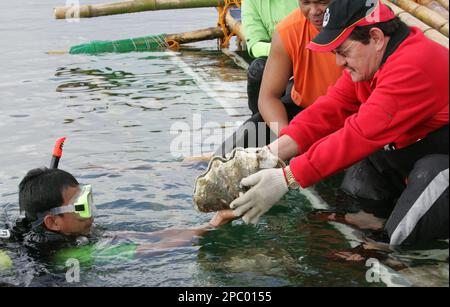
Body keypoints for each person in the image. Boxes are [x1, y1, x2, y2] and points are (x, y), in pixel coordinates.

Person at [230, 0, 449, 246]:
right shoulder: (375, 60)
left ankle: (389, 246)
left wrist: (287, 177)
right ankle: (381, 218)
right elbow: (330, 107)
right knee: (359, 181)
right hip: (418, 149)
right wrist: (269, 154)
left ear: (376, 37)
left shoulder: (413, 65)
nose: (338, 63)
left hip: (440, 162)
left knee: (395, 240)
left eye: (343, 52)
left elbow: (358, 134)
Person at [5, 167, 236, 263]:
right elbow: (150, 250)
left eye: (88, 200)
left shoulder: (72, 228)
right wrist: (214, 224)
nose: (90, 214)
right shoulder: (68, 255)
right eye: (81, 206)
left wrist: (206, 223)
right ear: (53, 222)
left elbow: (152, 236)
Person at [217, 0, 342, 155]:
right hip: (306, 110)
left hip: (353, 115)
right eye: (306, 3)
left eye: (322, 2)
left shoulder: (366, 26)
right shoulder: (288, 31)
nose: (314, 11)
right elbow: (268, 97)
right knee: (227, 153)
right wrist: (287, 137)